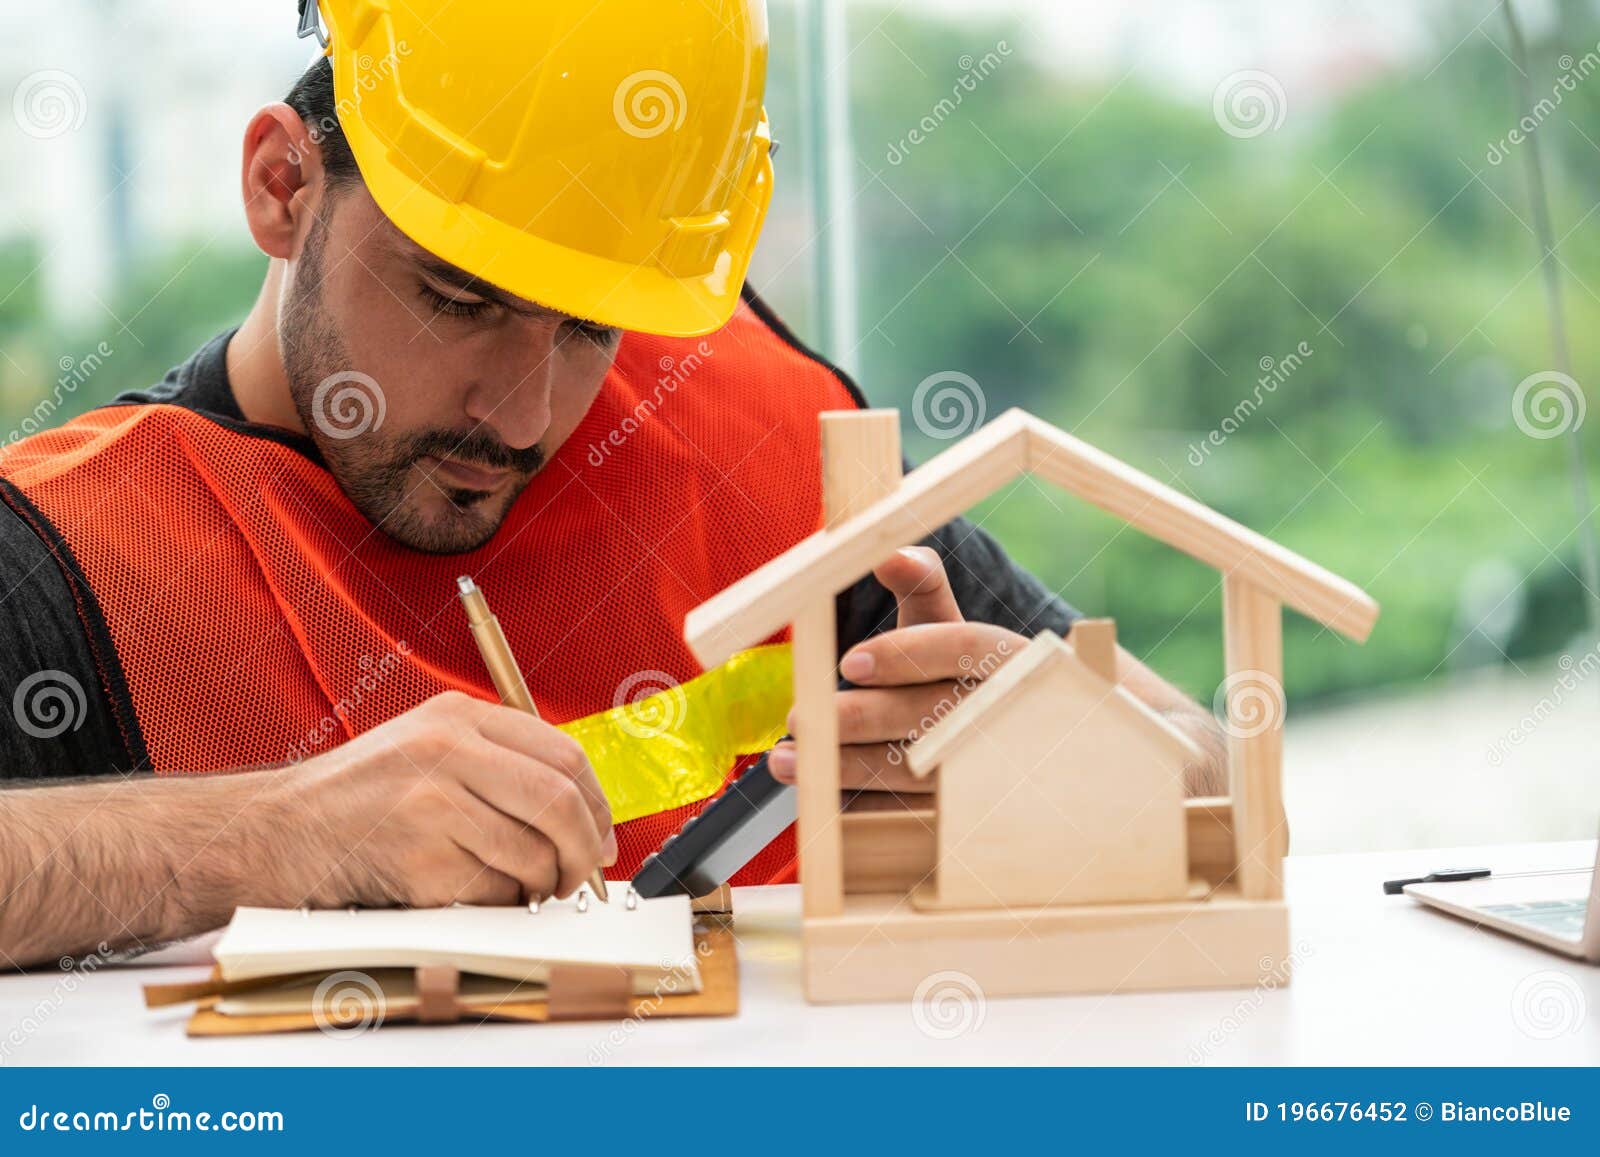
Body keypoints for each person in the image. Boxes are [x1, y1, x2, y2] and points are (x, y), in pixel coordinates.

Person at [0, 1, 1223, 969]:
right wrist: (278, 833)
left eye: (592, 326)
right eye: (459, 299)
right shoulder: (66, 549)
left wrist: (1065, 765)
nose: (522, 417)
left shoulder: (758, 429)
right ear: (283, 184)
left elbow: (1210, 764)